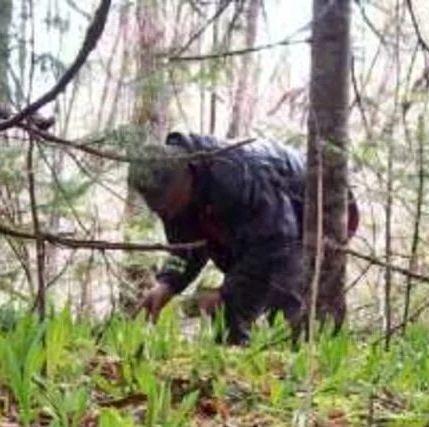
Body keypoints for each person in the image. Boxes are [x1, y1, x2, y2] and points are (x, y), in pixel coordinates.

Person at [129, 131, 359, 344]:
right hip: (262, 232)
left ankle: (306, 360)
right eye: (160, 208)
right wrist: (167, 284)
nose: (168, 212)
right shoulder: (174, 199)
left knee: (282, 298)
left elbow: (276, 243)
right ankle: (234, 359)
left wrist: (226, 294)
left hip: (318, 212)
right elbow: (187, 247)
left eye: (169, 202)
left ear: (186, 175)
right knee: (230, 304)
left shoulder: (236, 176)